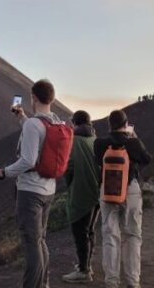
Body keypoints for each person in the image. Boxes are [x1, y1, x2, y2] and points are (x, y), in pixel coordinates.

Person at [0, 79, 64, 288]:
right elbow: (38, 135)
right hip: (48, 190)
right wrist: (22, 117)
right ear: (52, 99)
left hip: (30, 192)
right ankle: (43, 283)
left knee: (31, 244)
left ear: (34, 98)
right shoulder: (56, 122)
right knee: (40, 240)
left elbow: (28, 161)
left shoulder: (34, 125)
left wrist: (2, 172)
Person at [94, 110, 152, 288]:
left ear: (109, 125)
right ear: (126, 125)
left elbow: (98, 161)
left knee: (110, 235)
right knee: (132, 235)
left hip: (108, 190)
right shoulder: (133, 143)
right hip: (131, 189)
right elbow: (147, 159)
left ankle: (111, 281)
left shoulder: (100, 143)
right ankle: (133, 281)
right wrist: (135, 138)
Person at [61, 110, 100, 283]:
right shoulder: (95, 139)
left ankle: (84, 271)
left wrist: (69, 184)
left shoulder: (74, 141)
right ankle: (87, 265)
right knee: (89, 230)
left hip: (81, 192)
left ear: (75, 123)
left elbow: (68, 167)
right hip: (96, 193)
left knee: (80, 232)